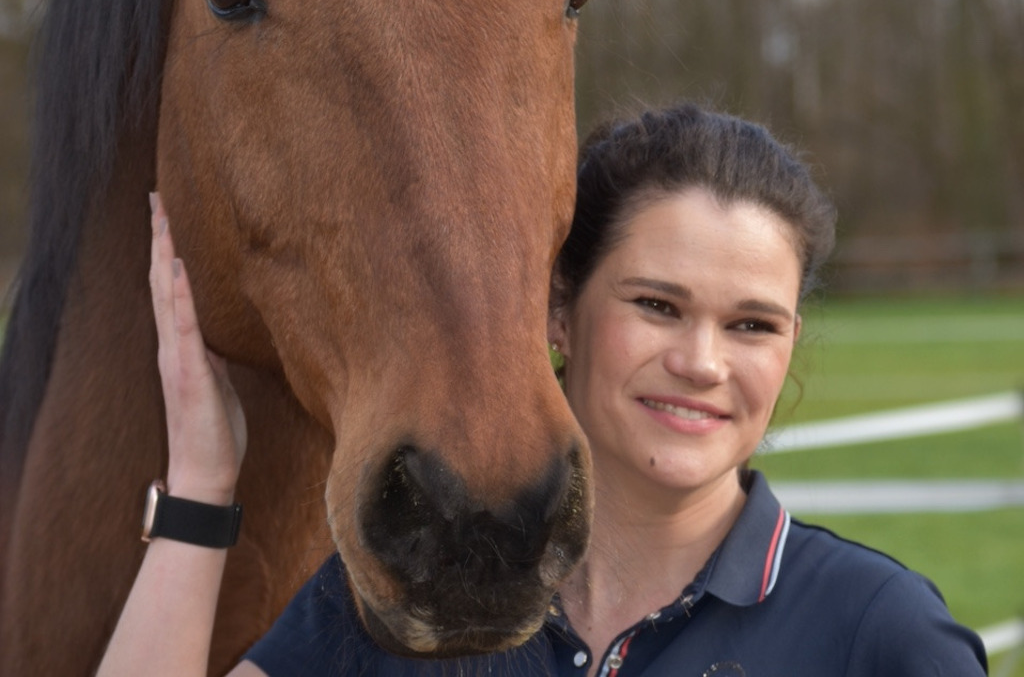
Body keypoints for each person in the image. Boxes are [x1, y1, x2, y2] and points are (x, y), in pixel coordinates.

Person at [98, 102, 988, 677]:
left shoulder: (879, 631)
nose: (703, 362)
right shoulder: (418, 598)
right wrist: (203, 487)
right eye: (656, 305)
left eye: (752, 324)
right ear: (559, 312)